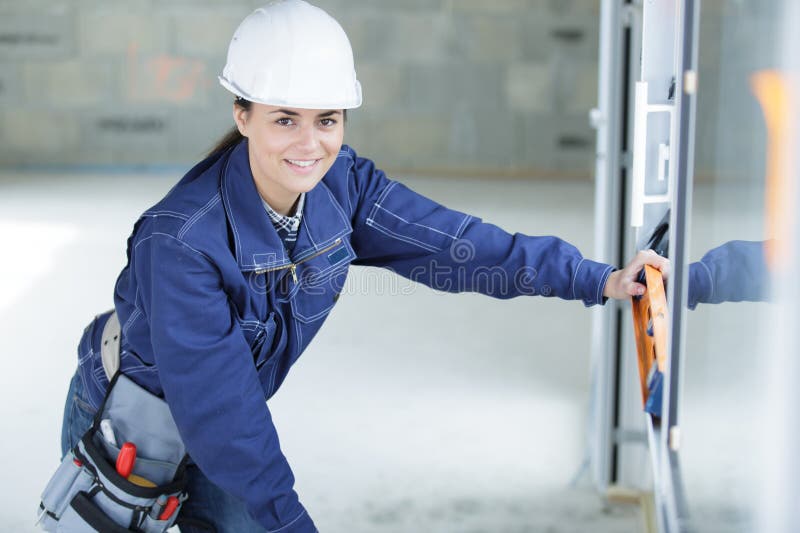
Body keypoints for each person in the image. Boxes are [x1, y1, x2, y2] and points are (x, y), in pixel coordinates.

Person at [59, 1, 669, 532]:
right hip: (132, 423)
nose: (309, 144)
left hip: (222, 419)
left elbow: (459, 246)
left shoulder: (343, 187)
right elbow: (222, 414)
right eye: (284, 119)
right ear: (242, 116)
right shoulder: (183, 244)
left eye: (326, 119)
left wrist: (596, 278)